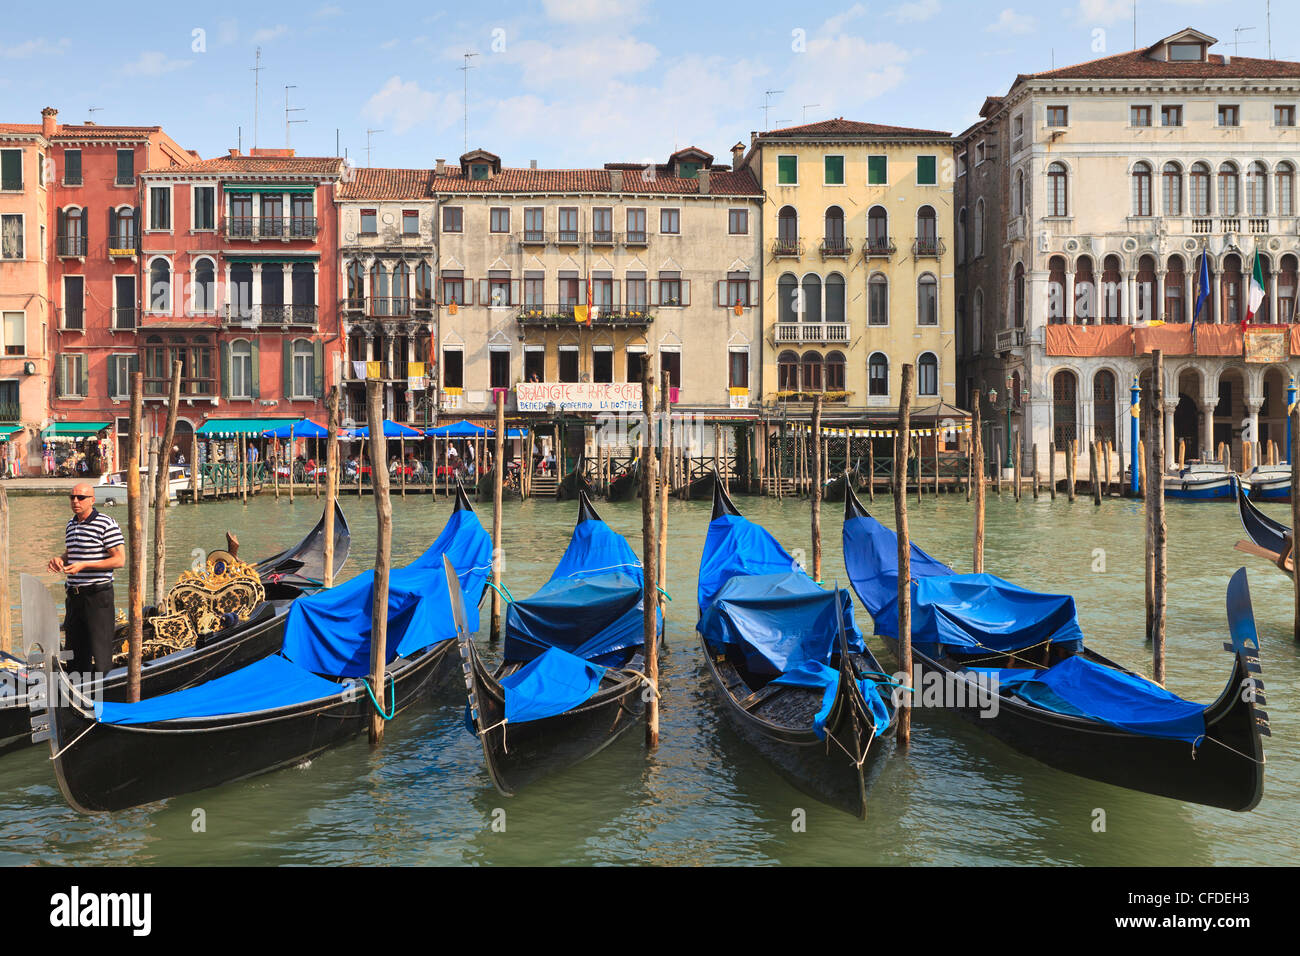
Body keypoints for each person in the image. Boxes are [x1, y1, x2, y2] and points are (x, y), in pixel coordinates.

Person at [47, 483, 125, 675]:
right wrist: (60, 559)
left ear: (92, 500)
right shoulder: (71, 524)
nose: (75, 501)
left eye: (80, 497)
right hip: (74, 596)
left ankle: (106, 694)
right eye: (72, 497)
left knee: (100, 651)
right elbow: (71, 553)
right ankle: (77, 694)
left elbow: (119, 560)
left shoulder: (106, 523)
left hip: (97, 596)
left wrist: (84, 565)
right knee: (74, 651)